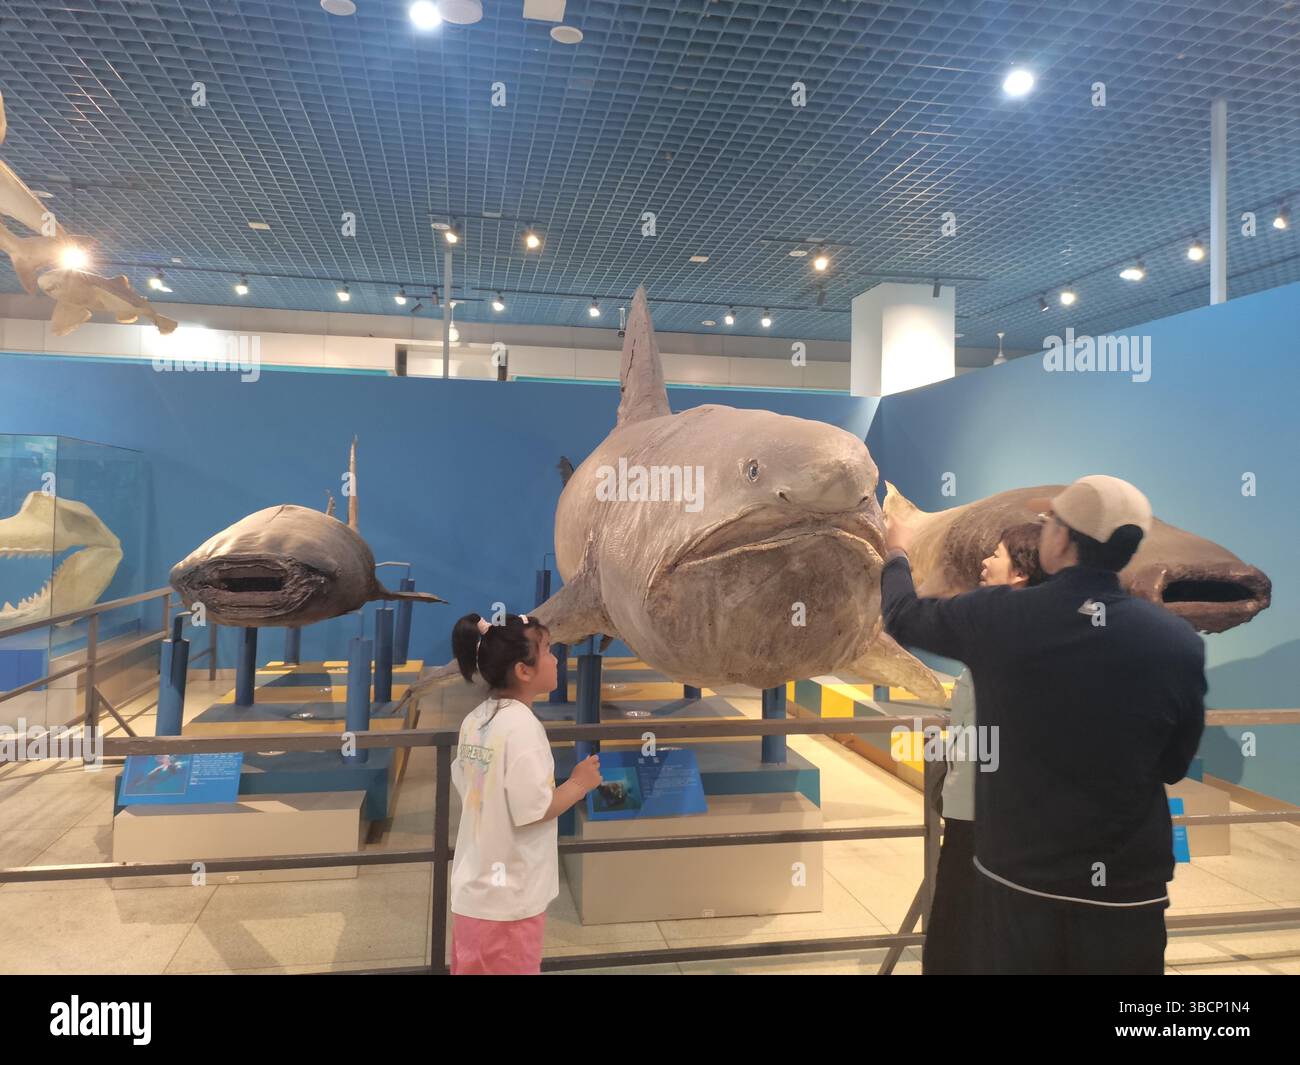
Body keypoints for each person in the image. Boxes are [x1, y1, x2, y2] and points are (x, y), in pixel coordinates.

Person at [882, 475, 1206, 975]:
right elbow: (1174, 763)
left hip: (1020, 883)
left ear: (1060, 538)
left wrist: (897, 553)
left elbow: (903, 616)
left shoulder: (1000, 618)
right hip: (1128, 891)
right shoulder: (1178, 641)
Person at [448, 611, 602, 975]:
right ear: (524, 670)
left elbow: (466, 784)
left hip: (474, 892)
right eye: (548, 651)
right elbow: (535, 808)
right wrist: (579, 784)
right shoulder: (523, 728)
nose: (555, 659)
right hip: (510, 898)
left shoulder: (475, 720)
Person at [923, 522, 1045, 975]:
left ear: (1019, 573)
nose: (985, 562)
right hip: (998, 810)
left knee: (959, 927)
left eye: (995, 554)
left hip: (982, 816)